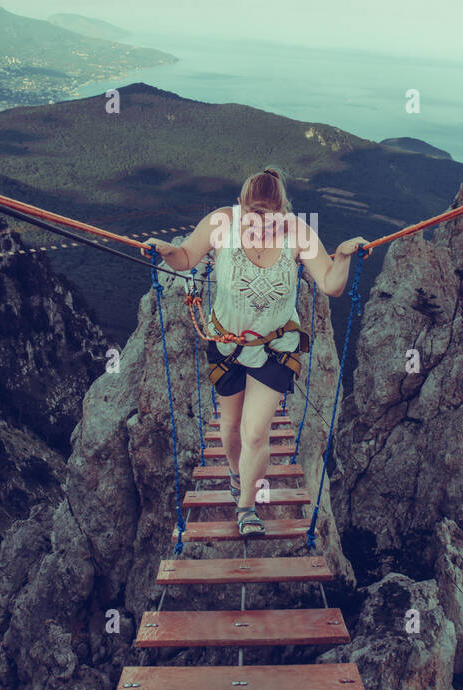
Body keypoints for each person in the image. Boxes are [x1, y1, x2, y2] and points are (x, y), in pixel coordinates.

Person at [141, 166, 366, 536]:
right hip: (227, 344)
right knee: (229, 429)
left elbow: (329, 284)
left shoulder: (296, 232)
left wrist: (341, 256)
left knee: (255, 434)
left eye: (269, 216)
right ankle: (236, 473)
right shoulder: (220, 224)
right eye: (251, 215)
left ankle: (246, 506)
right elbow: (184, 259)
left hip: (277, 346)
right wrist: (167, 250)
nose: (258, 223)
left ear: (283, 211)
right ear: (240, 207)